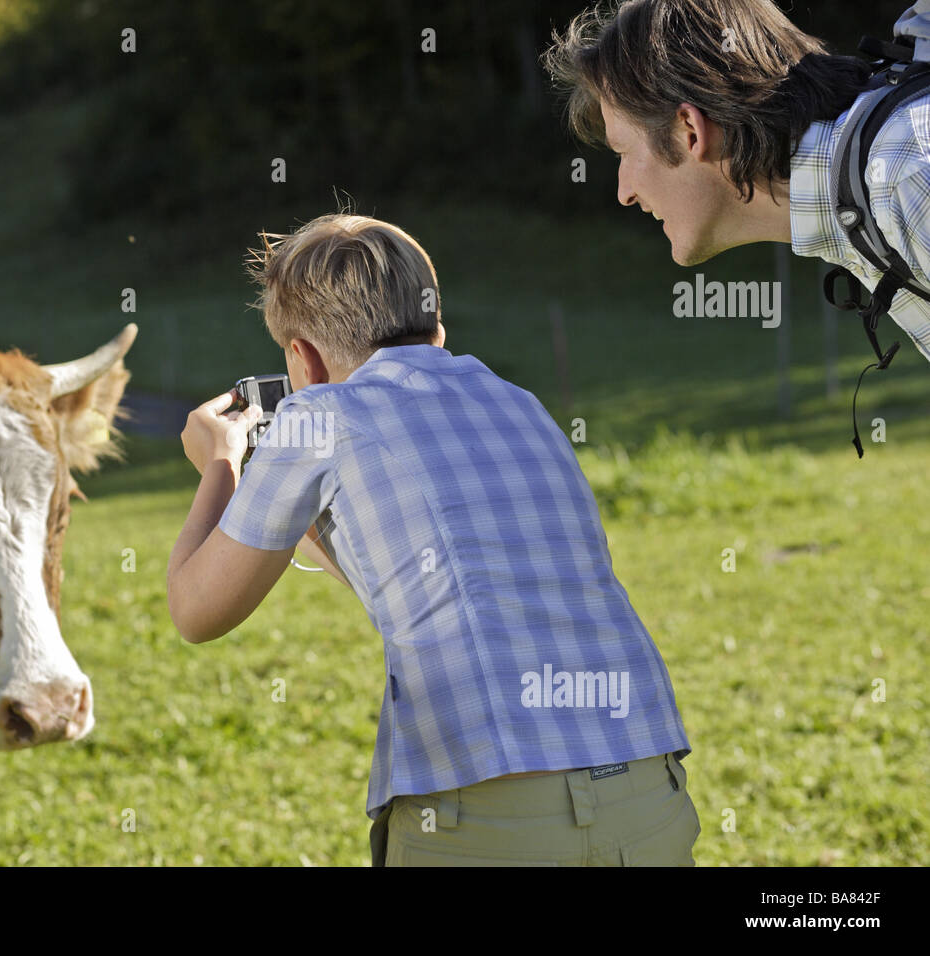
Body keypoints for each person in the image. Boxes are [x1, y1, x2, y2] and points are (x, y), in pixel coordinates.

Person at [166, 213, 697, 866]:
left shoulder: (317, 414)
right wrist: (291, 516)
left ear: (302, 358)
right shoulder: (518, 402)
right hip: (647, 788)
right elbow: (418, 573)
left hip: (484, 804)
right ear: (436, 327)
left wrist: (219, 466)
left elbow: (196, 612)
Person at [541, 0, 930, 365]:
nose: (623, 192)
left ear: (690, 131)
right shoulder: (868, 191)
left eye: (623, 153)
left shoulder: (905, 179)